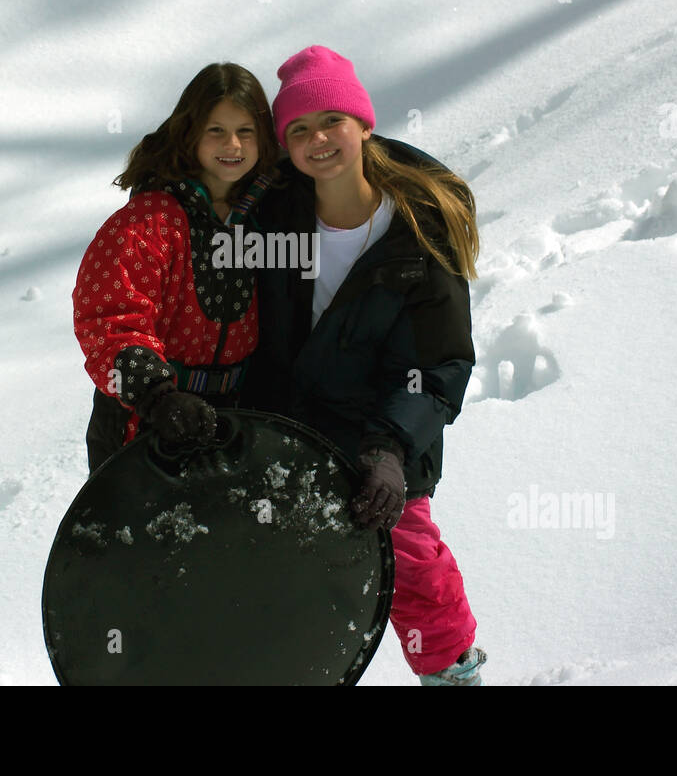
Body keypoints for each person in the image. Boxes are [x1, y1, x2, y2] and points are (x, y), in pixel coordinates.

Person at [241, 45, 486, 686]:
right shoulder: (272, 216)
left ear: (363, 124)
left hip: (382, 434)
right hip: (287, 429)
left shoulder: (418, 230)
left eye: (331, 121)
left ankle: (453, 673)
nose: (317, 139)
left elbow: (438, 364)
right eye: (298, 129)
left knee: (407, 556)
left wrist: (389, 452)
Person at [72, 63, 277, 472]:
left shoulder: (267, 215)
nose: (232, 144)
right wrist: (156, 395)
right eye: (215, 129)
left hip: (236, 416)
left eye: (246, 131)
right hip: (147, 418)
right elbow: (110, 318)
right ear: (190, 133)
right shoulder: (149, 220)